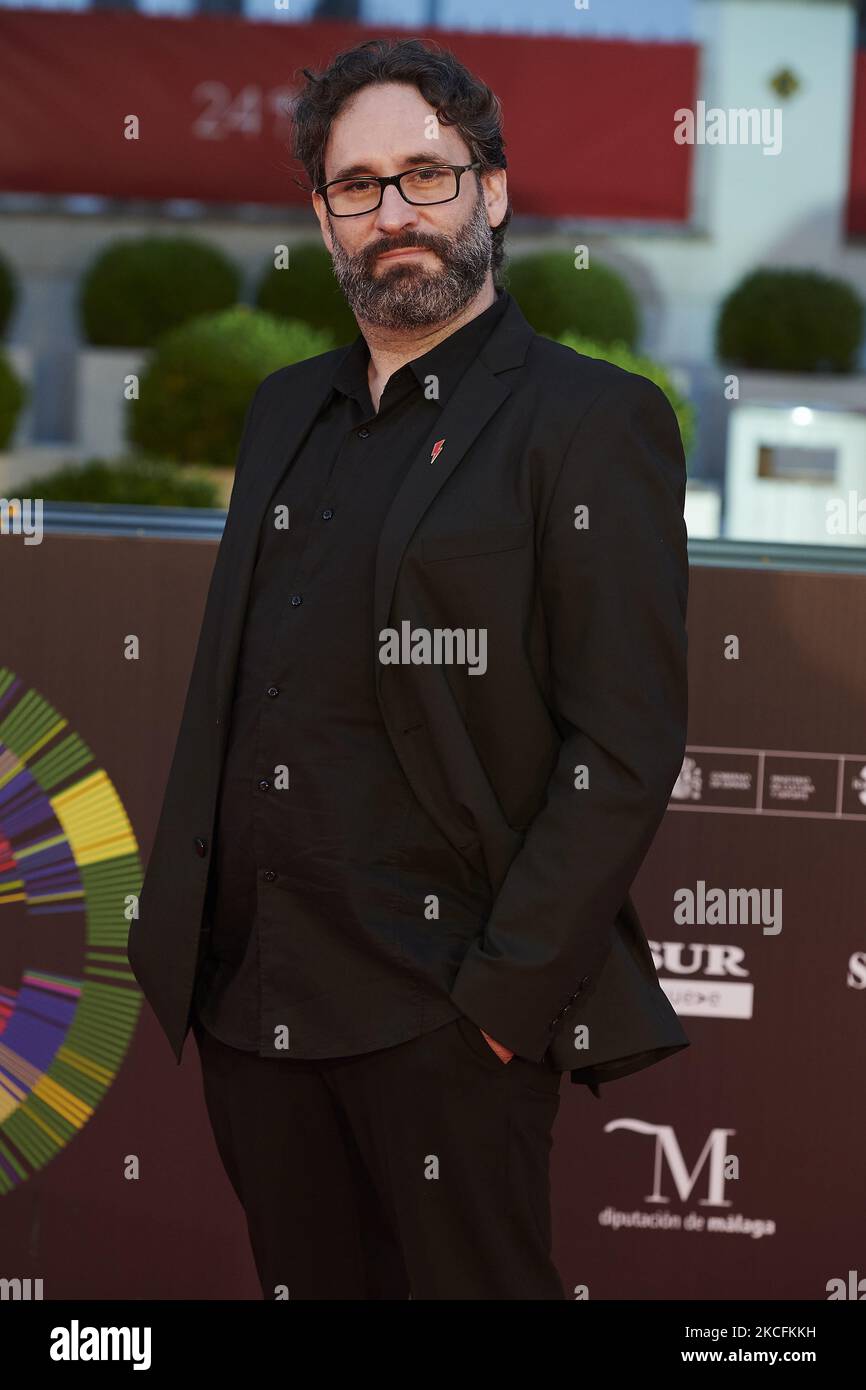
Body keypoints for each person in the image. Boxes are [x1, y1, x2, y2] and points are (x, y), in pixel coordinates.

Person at [127, 35, 690, 1301]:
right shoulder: (282, 408)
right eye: (357, 184)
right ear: (319, 216)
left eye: (427, 177)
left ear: (490, 188)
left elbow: (625, 741)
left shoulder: (588, 421)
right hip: (253, 1006)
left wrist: (498, 1006)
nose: (395, 214)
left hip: (443, 1017)